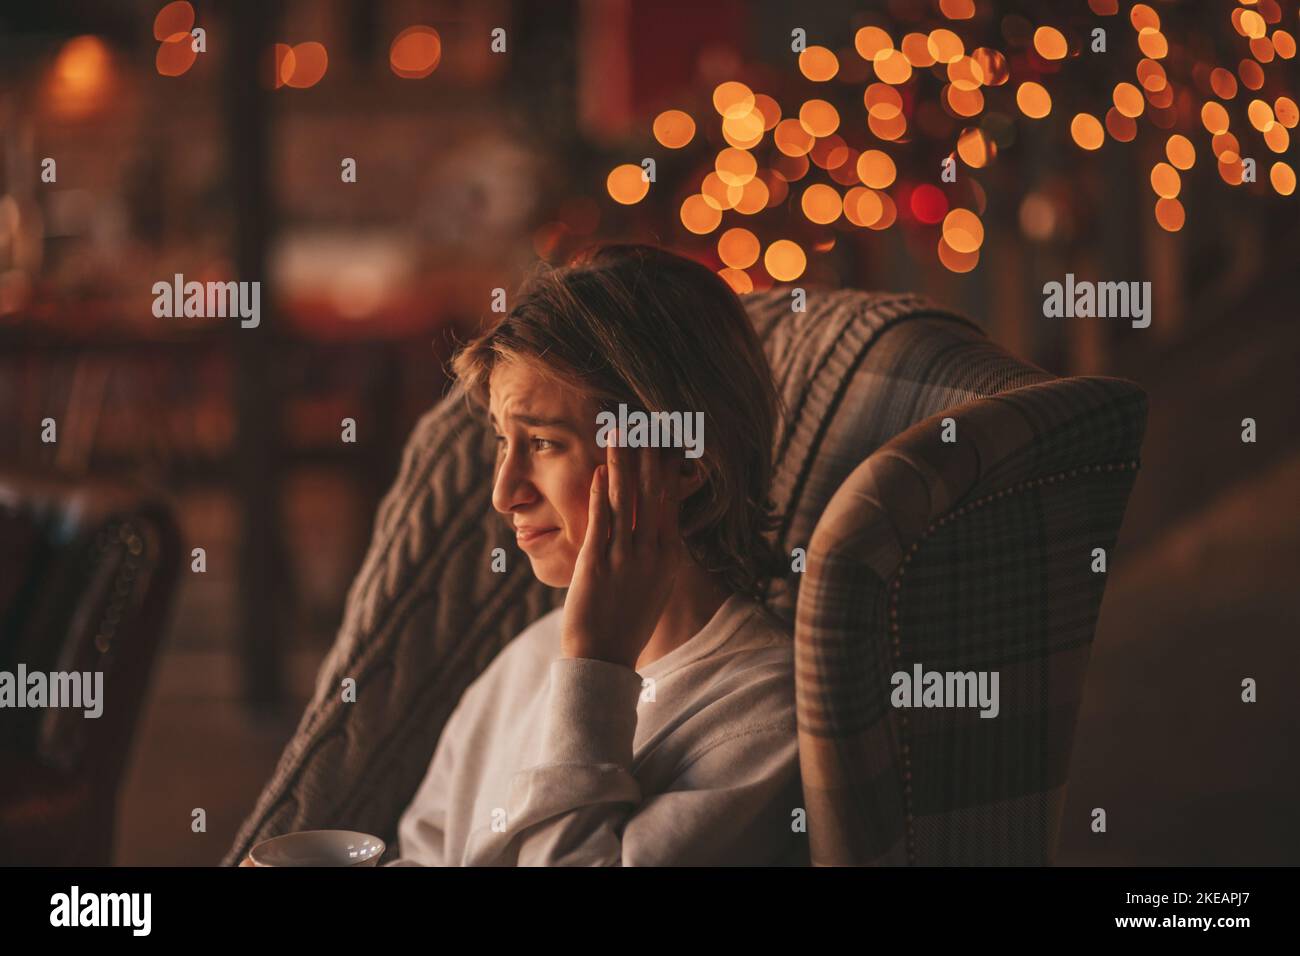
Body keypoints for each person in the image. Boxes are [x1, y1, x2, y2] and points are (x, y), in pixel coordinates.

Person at [390, 242, 805, 866]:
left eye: (546, 444)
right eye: (506, 441)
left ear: (683, 459)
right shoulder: (527, 658)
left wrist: (596, 669)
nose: (504, 493)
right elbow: (424, 853)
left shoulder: (766, 721)